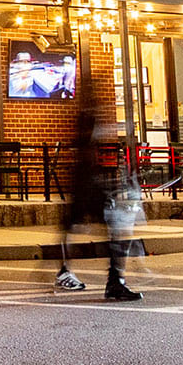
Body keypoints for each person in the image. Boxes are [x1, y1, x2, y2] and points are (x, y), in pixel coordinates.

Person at [55, 95, 142, 301]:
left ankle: (67, 271)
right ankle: (114, 282)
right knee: (111, 228)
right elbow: (87, 142)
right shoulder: (86, 120)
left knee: (75, 227)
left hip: (85, 181)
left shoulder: (85, 119)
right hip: (86, 183)